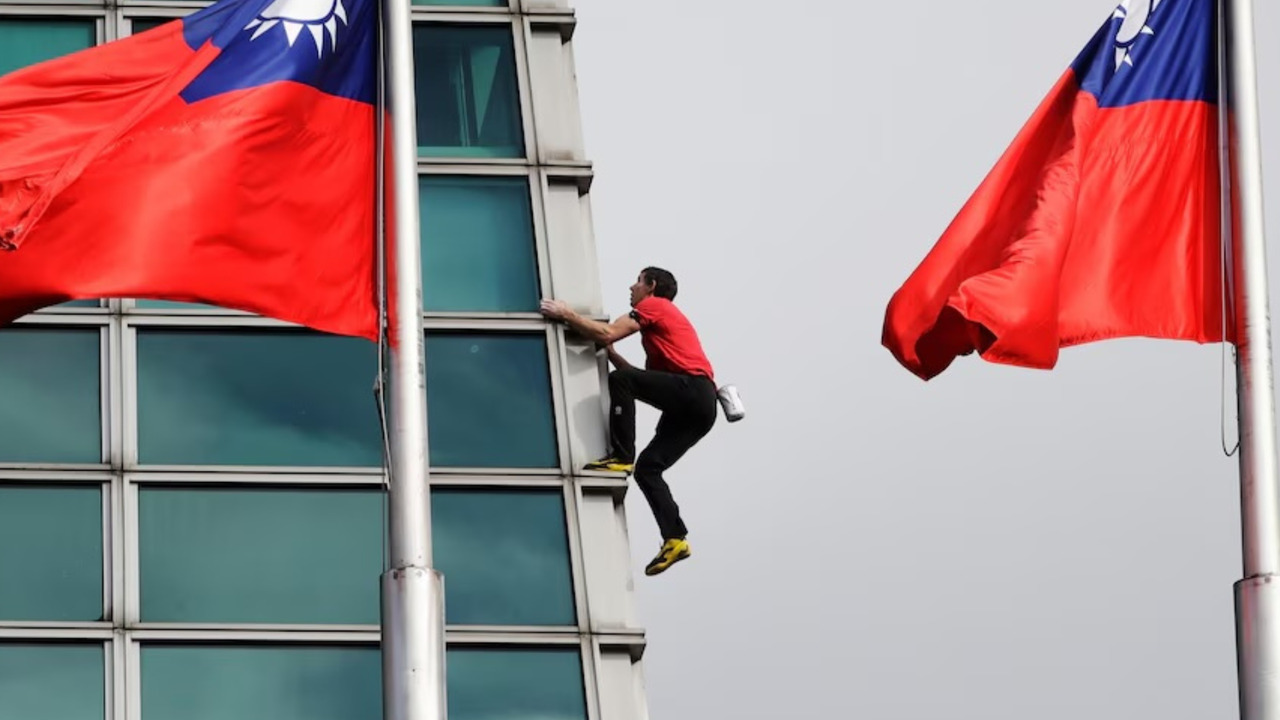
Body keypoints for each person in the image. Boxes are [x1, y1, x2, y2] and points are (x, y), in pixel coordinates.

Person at [540, 267, 717, 576]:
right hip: (699, 407)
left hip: (694, 392)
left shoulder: (655, 305)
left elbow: (610, 335)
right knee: (649, 469)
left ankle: (621, 457)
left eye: (638, 280)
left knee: (621, 381)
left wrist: (567, 314)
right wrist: (609, 352)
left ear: (651, 286)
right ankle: (675, 538)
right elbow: (636, 375)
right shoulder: (660, 334)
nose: (632, 286)